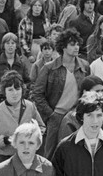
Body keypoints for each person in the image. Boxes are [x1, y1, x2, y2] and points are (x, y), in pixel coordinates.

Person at [32, 28, 90, 158]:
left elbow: (88, 92)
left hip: (76, 115)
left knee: (77, 153)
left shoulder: (84, 66)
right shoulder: (49, 68)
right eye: (72, 44)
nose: (76, 47)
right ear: (63, 47)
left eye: (77, 44)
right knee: (51, 154)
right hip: (56, 116)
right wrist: (50, 114)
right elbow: (37, 94)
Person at [0, 71, 46, 163]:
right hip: (5, 157)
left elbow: (42, 127)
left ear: (22, 90)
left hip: (28, 155)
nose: (14, 93)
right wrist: (4, 140)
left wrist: (32, 135)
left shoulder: (30, 106)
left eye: (17, 89)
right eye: (10, 90)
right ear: (4, 91)